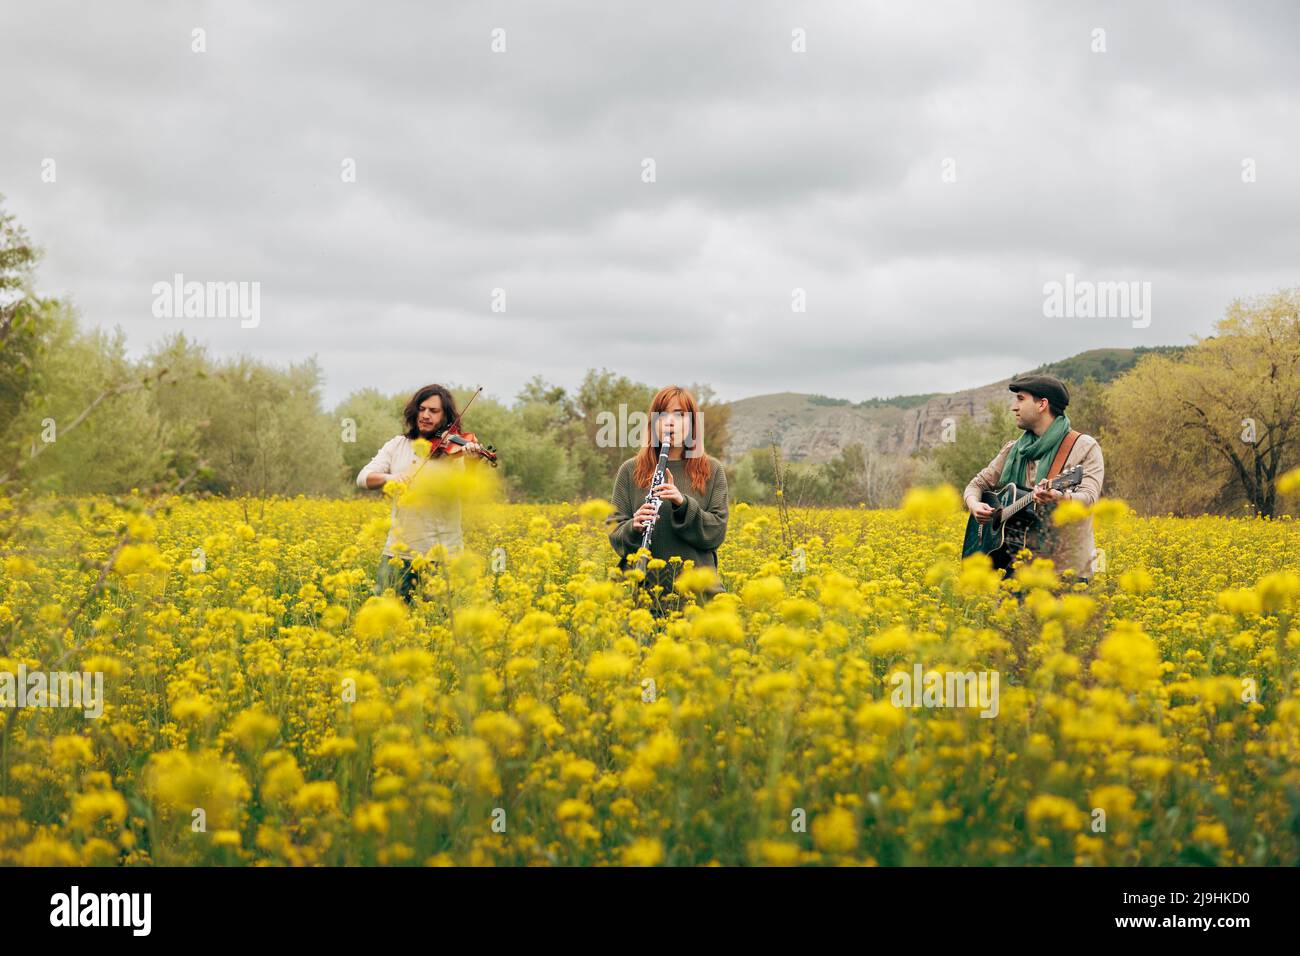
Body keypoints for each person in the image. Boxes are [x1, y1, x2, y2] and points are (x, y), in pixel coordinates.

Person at [963, 374, 1105, 582]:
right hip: (1015, 570)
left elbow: (1089, 497)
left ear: (1042, 404)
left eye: (1020, 399)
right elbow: (976, 484)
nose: (1014, 407)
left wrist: (1060, 498)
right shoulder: (1014, 450)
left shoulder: (1084, 447)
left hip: (1065, 572)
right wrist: (974, 505)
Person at [607, 386, 729, 616]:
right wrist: (634, 526)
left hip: (698, 603)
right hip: (644, 603)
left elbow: (716, 532)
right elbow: (615, 533)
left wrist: (683, 504)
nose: (669, 422)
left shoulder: (711, 470)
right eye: (662, 414)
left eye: (679, 415)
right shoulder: (630, 470)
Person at [356, 384, 485, 602]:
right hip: (398, 556)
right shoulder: (398, 445)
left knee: (439, 628)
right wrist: (391, 478)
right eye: (422, 409)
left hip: (443, 559)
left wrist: (472, 463)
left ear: (446, 417)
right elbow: (363, 477)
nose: (425, 415)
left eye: (433, 411)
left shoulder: (456, 453)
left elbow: (469, 493)